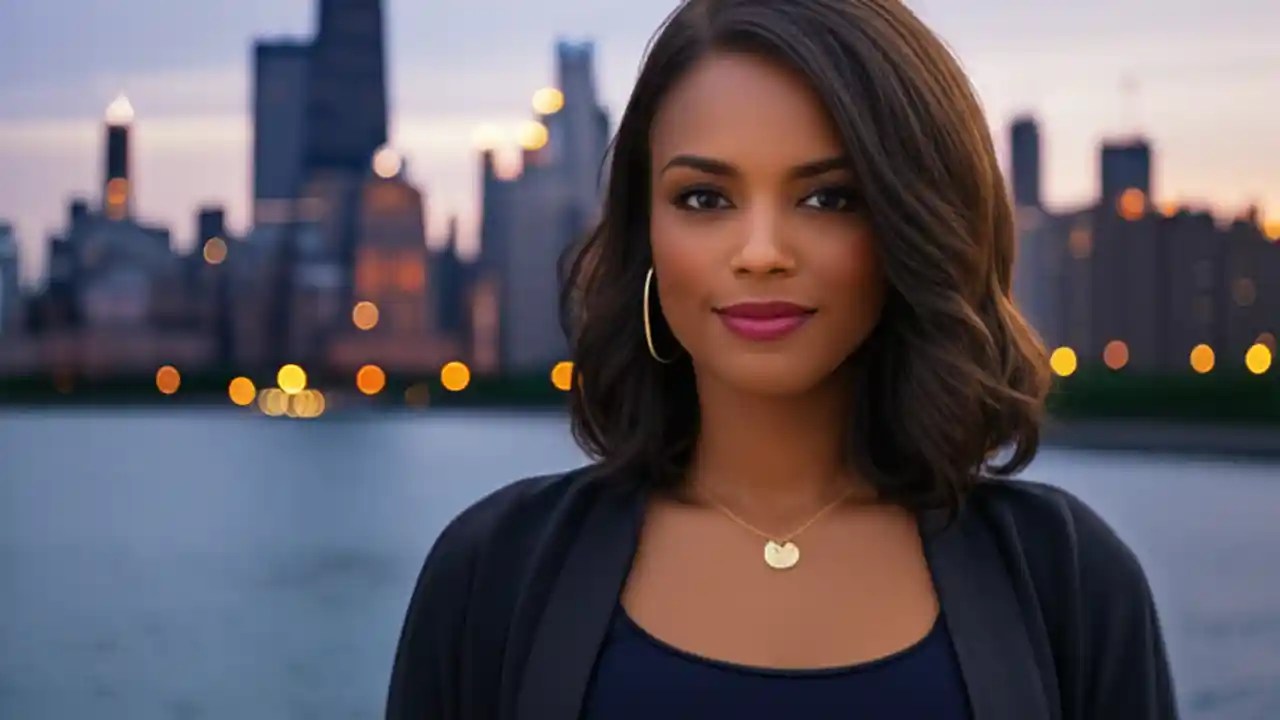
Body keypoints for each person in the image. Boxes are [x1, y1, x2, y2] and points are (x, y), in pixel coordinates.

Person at [385, 0, 1179, 718]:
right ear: (645, 234)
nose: (761, 252)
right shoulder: (493, 574)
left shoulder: (1069, 585)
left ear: (914, 228)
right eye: (704, 199)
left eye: (829, 197)